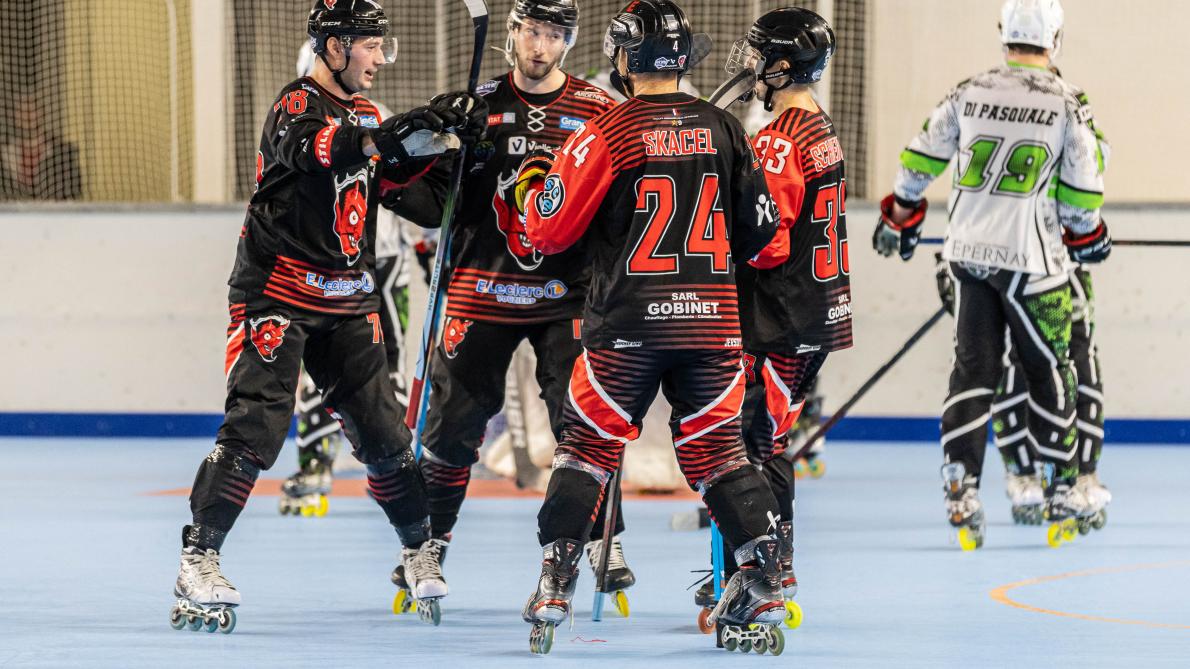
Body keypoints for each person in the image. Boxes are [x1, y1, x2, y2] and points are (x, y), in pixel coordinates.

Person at [169, 0, 487, 633]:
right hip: (277, 295)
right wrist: (403, 130)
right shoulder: (295, 106)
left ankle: (418, 549)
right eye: (369, 45)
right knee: (256, 428)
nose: (377, 57)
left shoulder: (370, 116)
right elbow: (331, 149)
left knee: (385, 436)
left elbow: (421, 202)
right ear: (334, 47)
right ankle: (197, 560)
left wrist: (458, 155)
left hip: (346, 300)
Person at [513, 0, 789, 655]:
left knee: (586, 447)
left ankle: (556, 578)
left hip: (626, 329)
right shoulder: (725, 129)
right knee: (719, 451)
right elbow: (764, 234)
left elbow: (547, 231)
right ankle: (763, 570)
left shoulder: (606, 132)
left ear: (621, 59)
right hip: (712, 327)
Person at [385, 0, 635, 606]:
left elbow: (624, 202)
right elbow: (425, 196)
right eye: (532, 31)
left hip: (567, 299)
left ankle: (601, 539)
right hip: (480, 292)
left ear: (569, 41)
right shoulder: (477, 106)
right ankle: (429, 543)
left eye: (554, 34)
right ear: (513, 33)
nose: (540, 46)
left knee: (584, 425)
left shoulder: (599, 112)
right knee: (451, 429)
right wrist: (415, 148)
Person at [874, 0, 1110, 549]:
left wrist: (903, 213)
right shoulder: (1067, 101)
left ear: (1003, 34)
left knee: (972, 373)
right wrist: (1089, 236)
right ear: (1056, 38)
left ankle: (963, 486)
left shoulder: (967, 90)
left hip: (968, 257)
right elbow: (1082, 196)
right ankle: (1061, 486)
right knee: (1051, 371)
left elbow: (917, 163)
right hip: (1033, 265)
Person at [695, 5, 849, 623]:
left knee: (749, 448)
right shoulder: (819, 127)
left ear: (781, 66)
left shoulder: (782, 140)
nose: (749, 62)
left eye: (759, 53)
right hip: (811, 313)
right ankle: (762, 567)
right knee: (764, 440)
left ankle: (758, 578)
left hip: (781, 316)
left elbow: (771, 240)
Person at [277, 44, 421, 519]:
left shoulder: (364, 115)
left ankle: (327, 467)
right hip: (367, 264)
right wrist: (423, 249)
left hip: (365, 264)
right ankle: (392, 470)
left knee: (339, 365)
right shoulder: (332, 118)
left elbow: (407, 188)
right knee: (381, 363)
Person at [0, 93, 81, 200]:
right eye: (22, 111)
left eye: (32, 109)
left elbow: (74, 191)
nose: (27, 115)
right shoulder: (4, 155)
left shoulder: (63, 152)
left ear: (42, 113)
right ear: (16, 117)